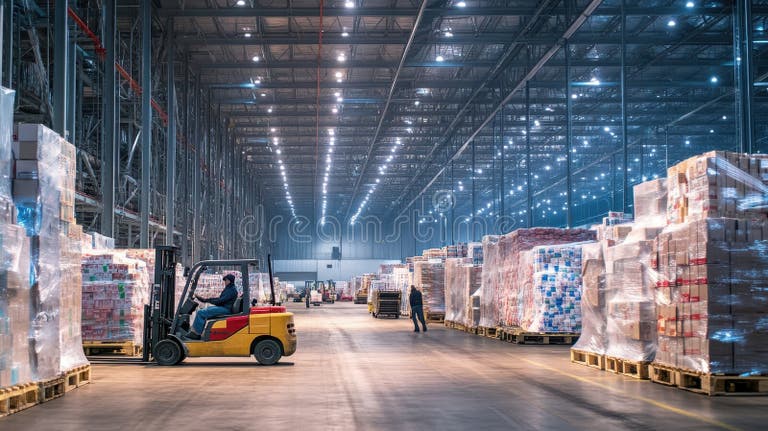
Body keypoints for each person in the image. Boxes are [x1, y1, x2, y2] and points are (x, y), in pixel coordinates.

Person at [186, 274, 239, 340]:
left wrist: (205, 300)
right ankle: (197, 332)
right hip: (224, 307)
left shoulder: (231, 290)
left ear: (229, 281)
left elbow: (220, 301)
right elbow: (220, 299)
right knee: (205, 310)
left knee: (201, 312)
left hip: (225, 309)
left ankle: (196, 334)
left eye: (226, 280)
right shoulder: (229, 288)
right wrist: (205, 300)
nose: (224, 282)